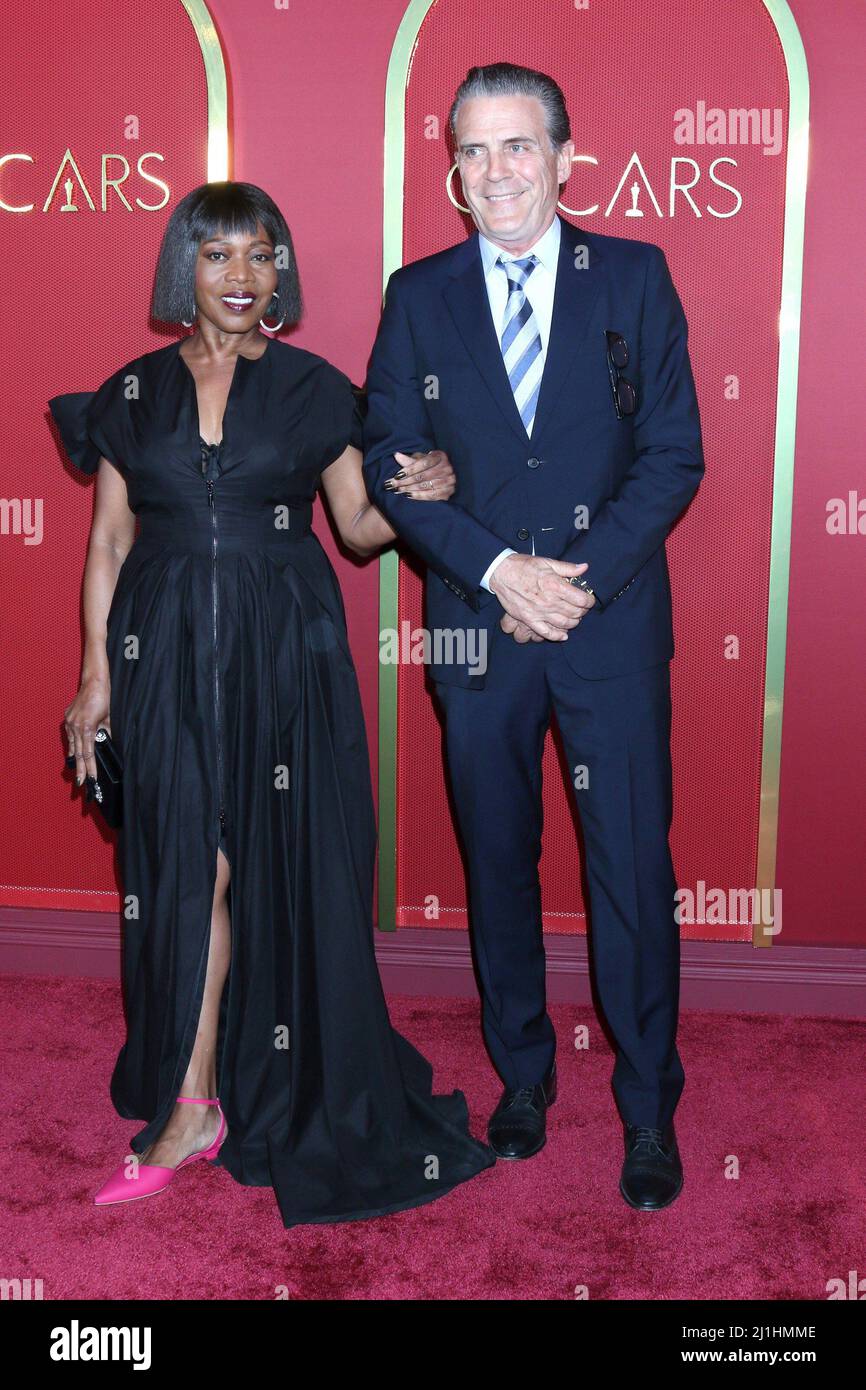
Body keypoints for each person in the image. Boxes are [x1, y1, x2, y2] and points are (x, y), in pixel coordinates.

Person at [48, 180, 495, 1227]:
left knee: (265, 868)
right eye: (218, 257)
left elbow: (356, 527)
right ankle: (196, 1097)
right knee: (184, 868)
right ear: (183, 271)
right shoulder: (131, 393)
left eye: (260, 255)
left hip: (284, 654)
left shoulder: (311, 389)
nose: (241, 276)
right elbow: (109, 542)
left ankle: (209, 1100)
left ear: (278, 273)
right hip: (160, 653)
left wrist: (420, 489)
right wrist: (94, 679)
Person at [362, 64, 704, 1209]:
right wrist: (497, 567)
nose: (494, 170)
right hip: (471, 626)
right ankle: (521, 1076)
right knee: (496, 860)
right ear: (450, 169)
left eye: (517, 146)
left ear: (563, 157)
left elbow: (671, 457)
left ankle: (649, 1106)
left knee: (629, 872)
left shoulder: (636, 277)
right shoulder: (418, 292)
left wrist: (577, 580)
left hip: (604, 626)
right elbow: (388, 466)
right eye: (471, 150)